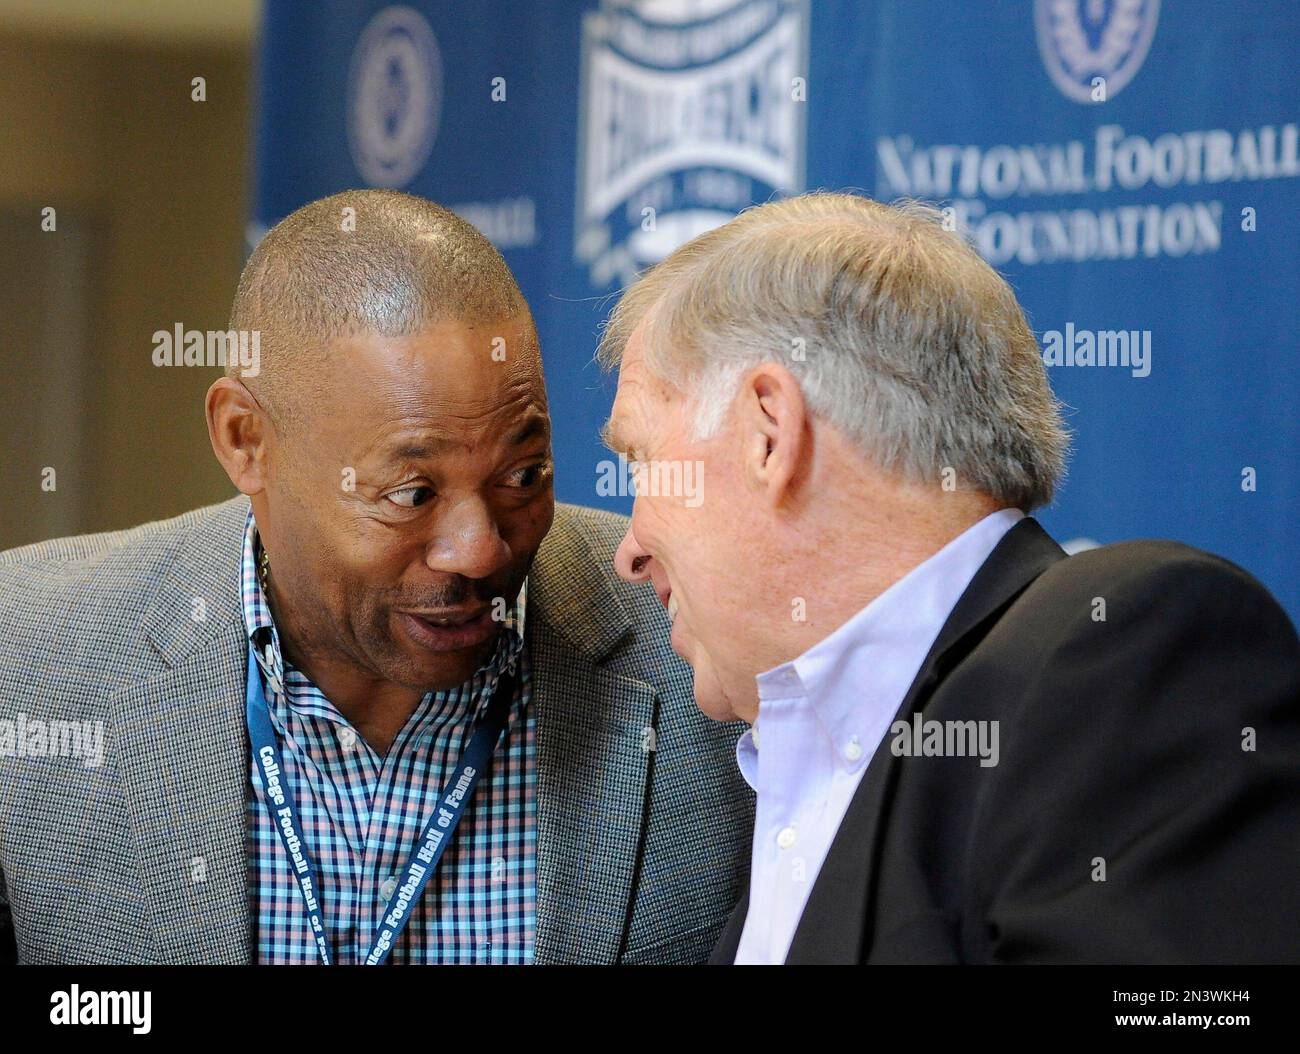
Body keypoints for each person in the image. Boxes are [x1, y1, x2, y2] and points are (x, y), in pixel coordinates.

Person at [0, 189, 752, 965]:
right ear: (244, 439)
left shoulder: (711, 662)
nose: (480, 551)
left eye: (523, 476)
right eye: (412, 495)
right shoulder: (24, 662)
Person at [597, 191, 1300, 964]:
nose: (627, 550)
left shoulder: (1129, 659)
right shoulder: (777, 797)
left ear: (770, 433)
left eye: (641, 462)